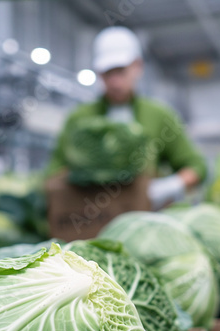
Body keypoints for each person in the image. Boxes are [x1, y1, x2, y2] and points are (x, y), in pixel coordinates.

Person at [46, 26, 207, 207]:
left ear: (138, 66)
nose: (114, 82)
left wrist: (168, 186)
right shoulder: (78, 118)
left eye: (120, 71)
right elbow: (53, 172)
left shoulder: (159, 116)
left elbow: (196, 166)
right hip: (90, 219)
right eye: (107, 73)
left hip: (143, 217)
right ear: (99, 73)